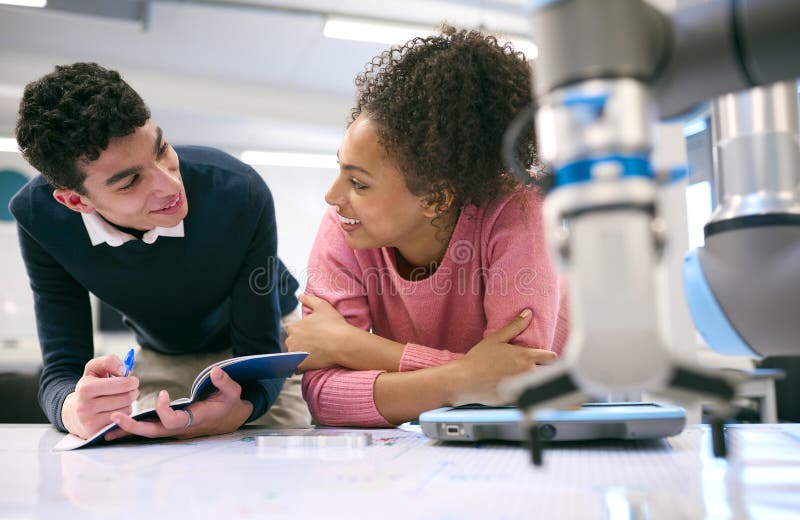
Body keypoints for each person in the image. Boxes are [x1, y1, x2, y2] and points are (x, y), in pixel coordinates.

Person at [285, 27, 569, 427]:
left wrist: (350, 345)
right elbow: (325, 396)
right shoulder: (346, 226)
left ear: (436, 199)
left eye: (359, 183)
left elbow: (521, 382)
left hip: (558, 417)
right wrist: (465, 378)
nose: (332, 197)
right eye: (341, 170)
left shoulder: (519, 212)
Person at [10, 62, 310, 441]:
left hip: (261, 341)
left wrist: (244, 405)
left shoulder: (237, 191)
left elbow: (258, 350)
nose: (170, 185)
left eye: (162, 149)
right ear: (75, 201)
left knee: (270, 451)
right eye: (131, 181)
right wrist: (75, 408)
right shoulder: (39, 218)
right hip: (163, 352)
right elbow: (63, 368)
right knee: (150, 459)